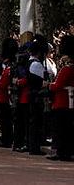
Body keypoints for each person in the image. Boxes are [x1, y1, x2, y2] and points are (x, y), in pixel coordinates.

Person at [48, 34, 74, 162]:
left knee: (61, 128)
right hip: (69, 101)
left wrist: (48, 85)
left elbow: (57, 85)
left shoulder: (67, 69)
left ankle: (62, 152)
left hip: (62, 101)